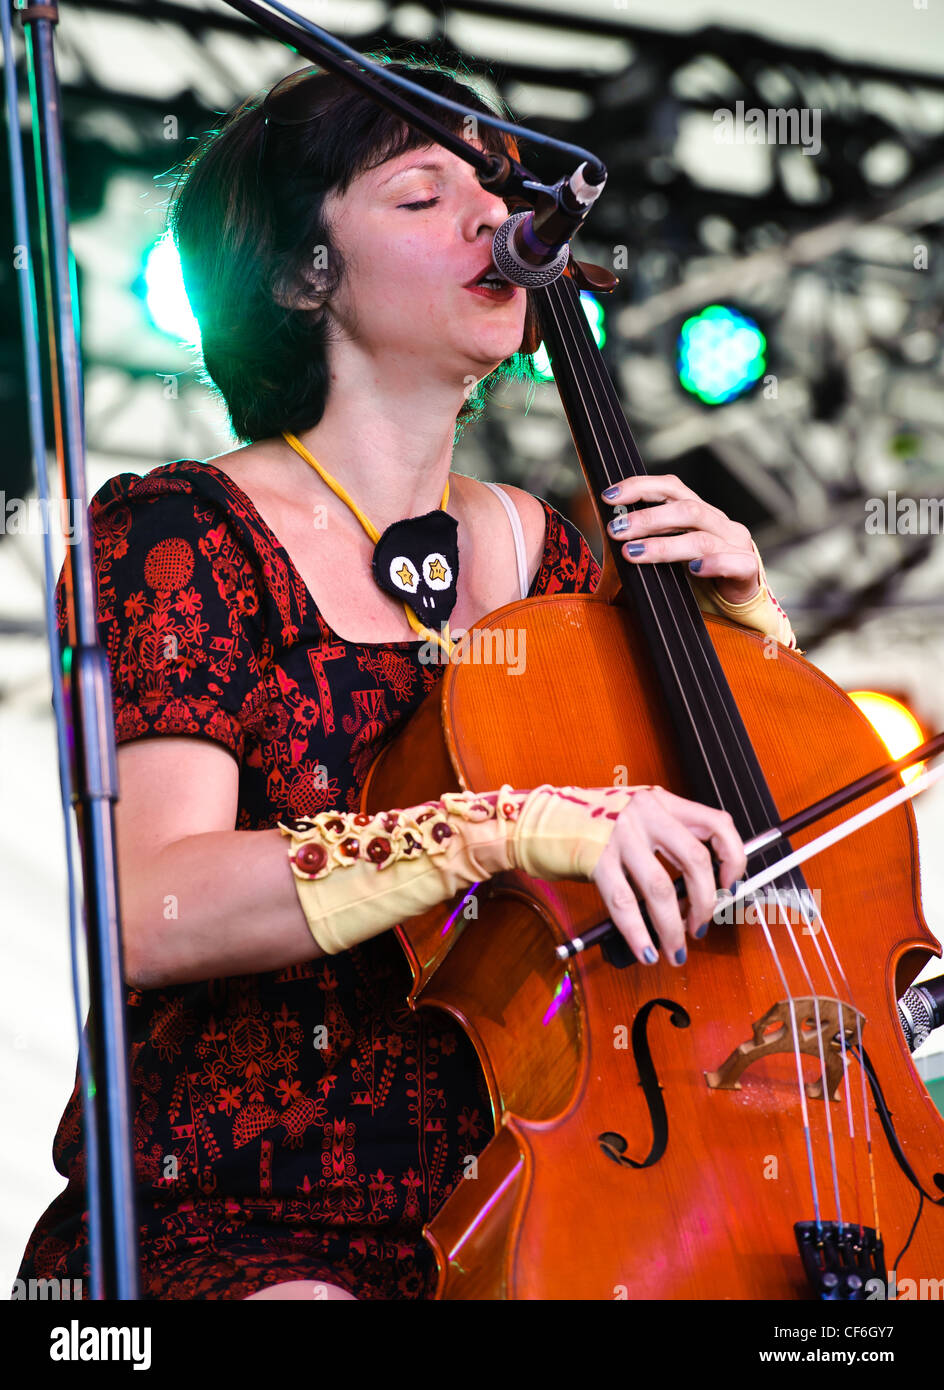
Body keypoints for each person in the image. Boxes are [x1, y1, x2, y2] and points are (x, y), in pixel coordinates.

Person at [15, 56, 797, 1302]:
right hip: (244, 1226)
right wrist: (493, 828)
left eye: (491, 187)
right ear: (297, 274)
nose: (495, 217)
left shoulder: (552, 553)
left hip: (531, 1204)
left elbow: (699, 868)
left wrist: (752, 645)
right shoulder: (176, 534)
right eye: (421, 195)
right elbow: (148, 908)